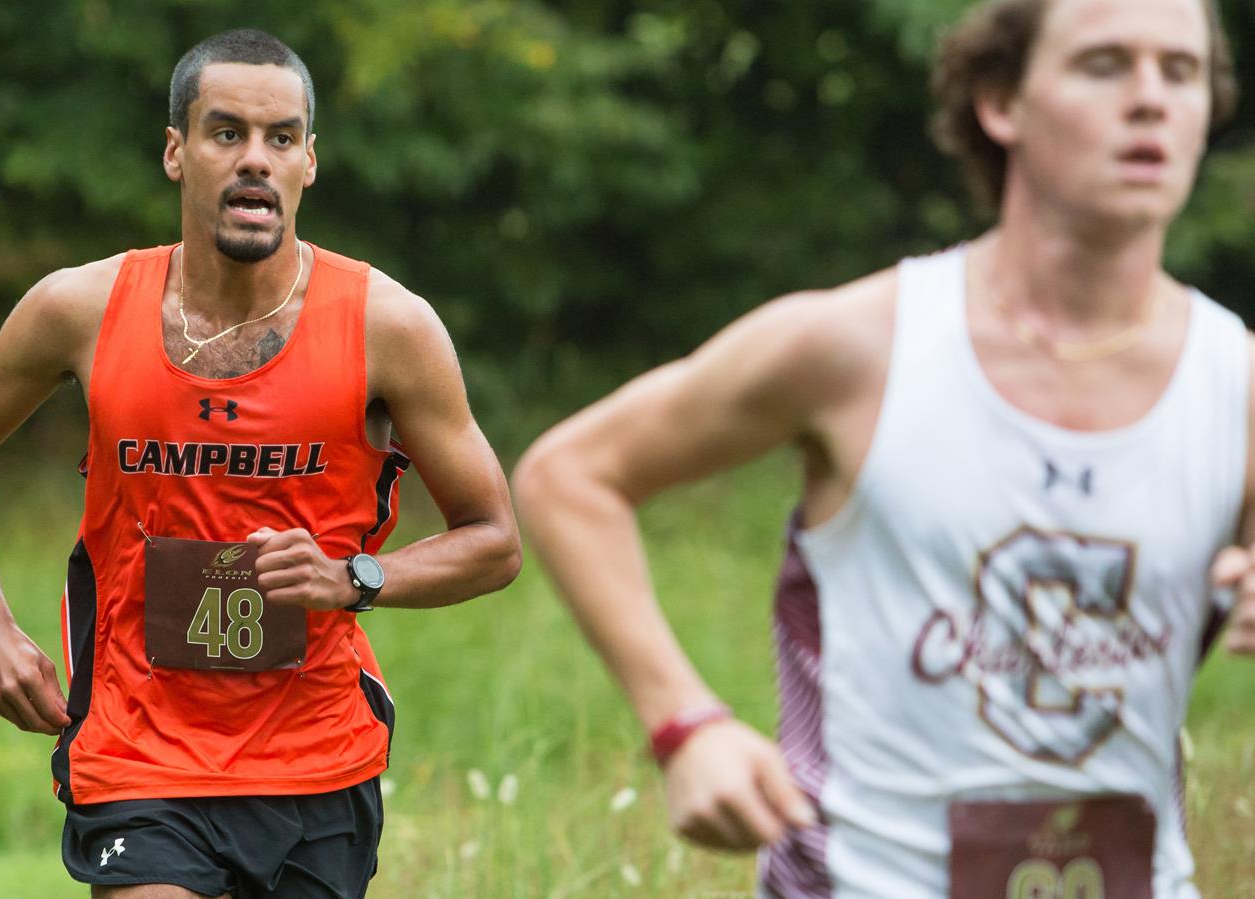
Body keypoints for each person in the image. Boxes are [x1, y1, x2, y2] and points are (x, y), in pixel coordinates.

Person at [514, 0, 1251, 896]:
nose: (1150, 101)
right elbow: (571, 475)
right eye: (1104, 65)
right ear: (1001, 102)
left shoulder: (1235, 385)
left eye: (1180, 72)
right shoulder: (858, 346)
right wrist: (684, 722)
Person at [0, 28, 520, 899]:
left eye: (281, 138)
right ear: (177, 151)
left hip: (316, 755)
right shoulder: (80, 307)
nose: (255, 161)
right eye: (226, 132)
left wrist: (354, 575)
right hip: (138, 748)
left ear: (310, 162)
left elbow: (496, 540)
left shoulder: (388, 326)